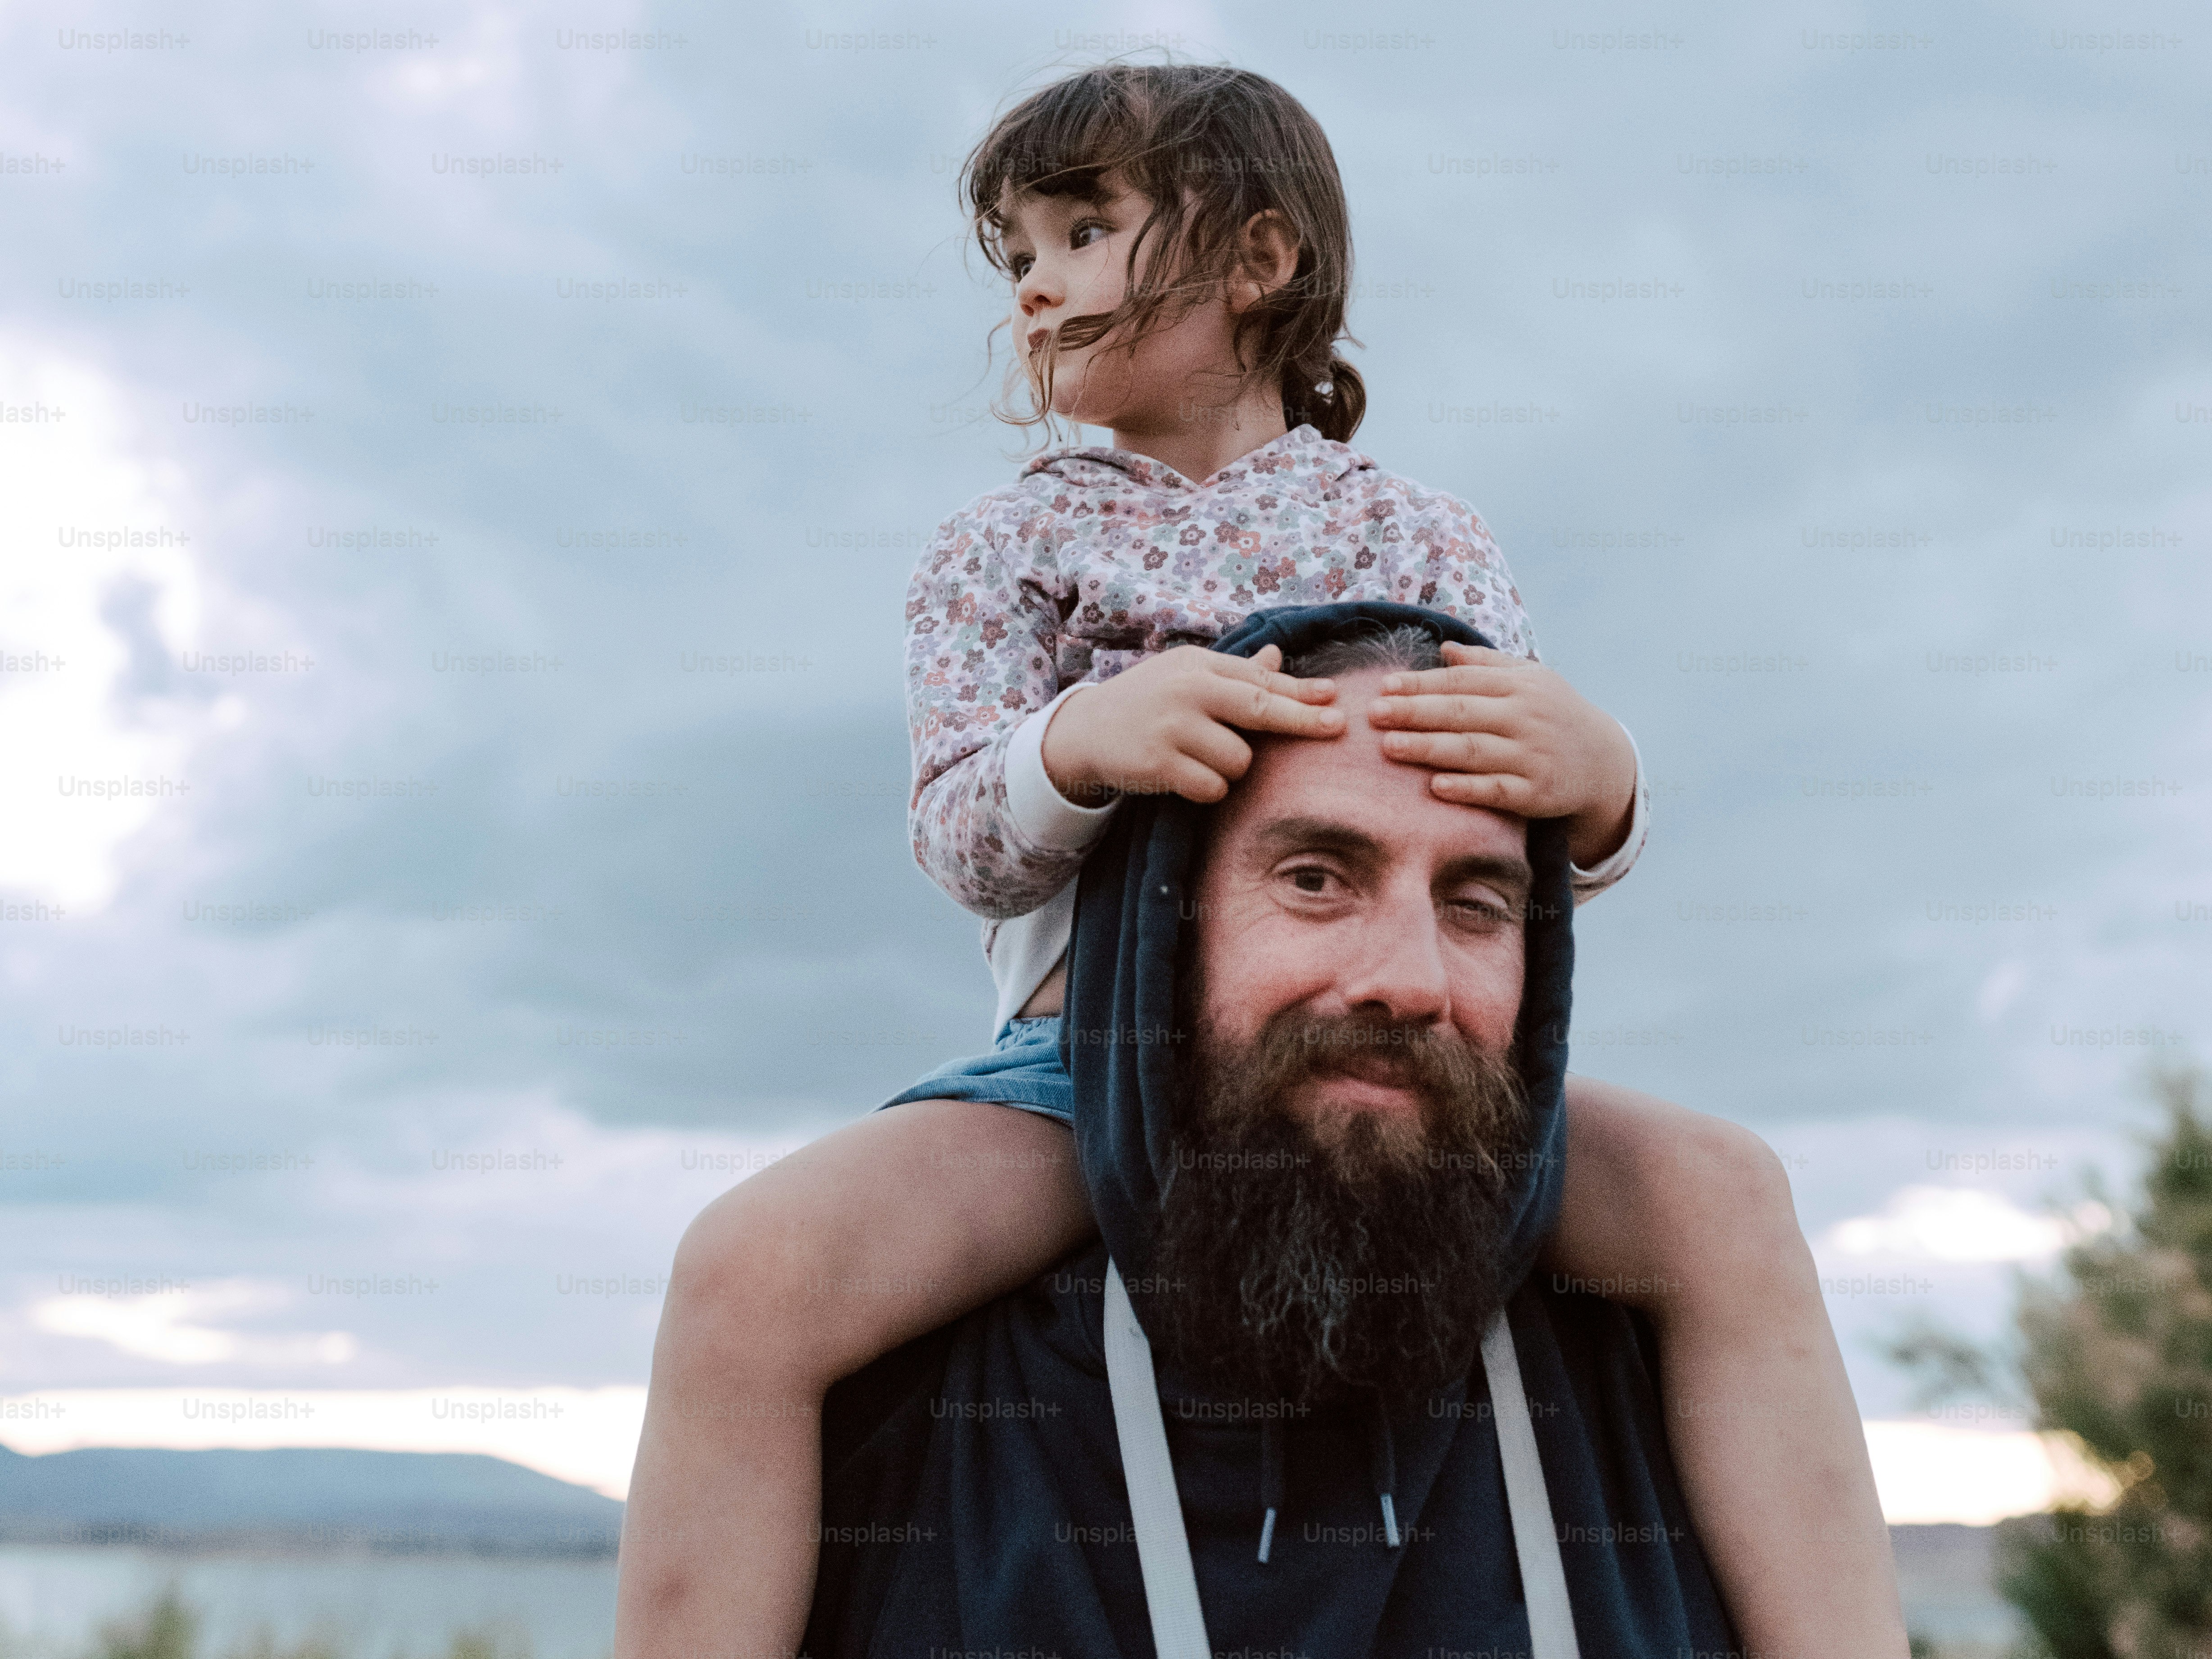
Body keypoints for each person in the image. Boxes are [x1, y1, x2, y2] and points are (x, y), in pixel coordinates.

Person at [614, 64, 1901, 1659]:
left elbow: (1492, 839)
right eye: (1016, 250)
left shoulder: (1425, 538)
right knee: (751, 1270)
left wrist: (1608, 779)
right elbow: (961, 836)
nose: (1034, 283)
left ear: (1259, 260)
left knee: (1725, 1195)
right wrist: (1081, 743)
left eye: (1084, 229)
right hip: (1078, 1072)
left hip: (1395, 1042)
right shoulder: (999, 549)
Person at [802, 607, 1892, 1656]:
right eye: (1316, 879)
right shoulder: (896, 1421)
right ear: (1160, 931)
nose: (1407, 983)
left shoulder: (1675, 1372)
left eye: (1475, 904)